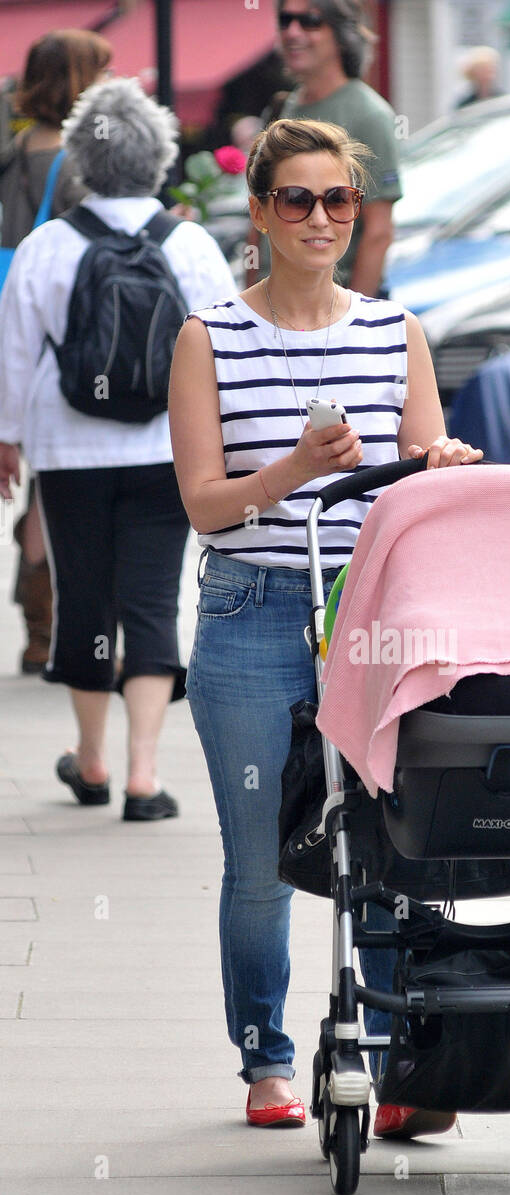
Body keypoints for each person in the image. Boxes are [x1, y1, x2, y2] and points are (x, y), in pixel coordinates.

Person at [168, 116, 482, 1136]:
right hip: (249, 608)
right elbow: (205, 505)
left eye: (337, 198)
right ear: (258, 211)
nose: (320, 217)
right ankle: (265, 1059)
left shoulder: (395, 331)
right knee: (260, 856)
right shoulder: (208, 337)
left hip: (370, 610)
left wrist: (442, 463)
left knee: (388, 844)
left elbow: (424, 462)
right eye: (296, 198)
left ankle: (393, 1063)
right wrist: (297, 473)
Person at [0, 78, 237, 819]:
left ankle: (92, 760)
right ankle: (143, 775)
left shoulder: (47, 245)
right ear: (160, 157)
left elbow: (14, 352)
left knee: (86, 598)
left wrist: (6, 438)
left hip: (68, 449)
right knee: (153, 598)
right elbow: (224, 350)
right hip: (166, 446)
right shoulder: (191, 243)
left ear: (80, 158)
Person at [0, 29, 113, 675]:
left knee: (39, 478)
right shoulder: (73, 160)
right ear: (77, 80)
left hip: (9, 318)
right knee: (51, 482)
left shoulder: (16, 149)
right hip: (54, 326)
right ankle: (49, 623)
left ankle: (37, 626)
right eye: (100, 72)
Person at [265, 0, 400, 296]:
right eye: (285, 20)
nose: (293, 32)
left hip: (328, 317)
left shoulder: (369, 114)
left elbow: (378, 233)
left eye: (310, 21)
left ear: (341, 32)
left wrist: (351, 327)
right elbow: (260, 210)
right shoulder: (284, 106)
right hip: (273, 310)